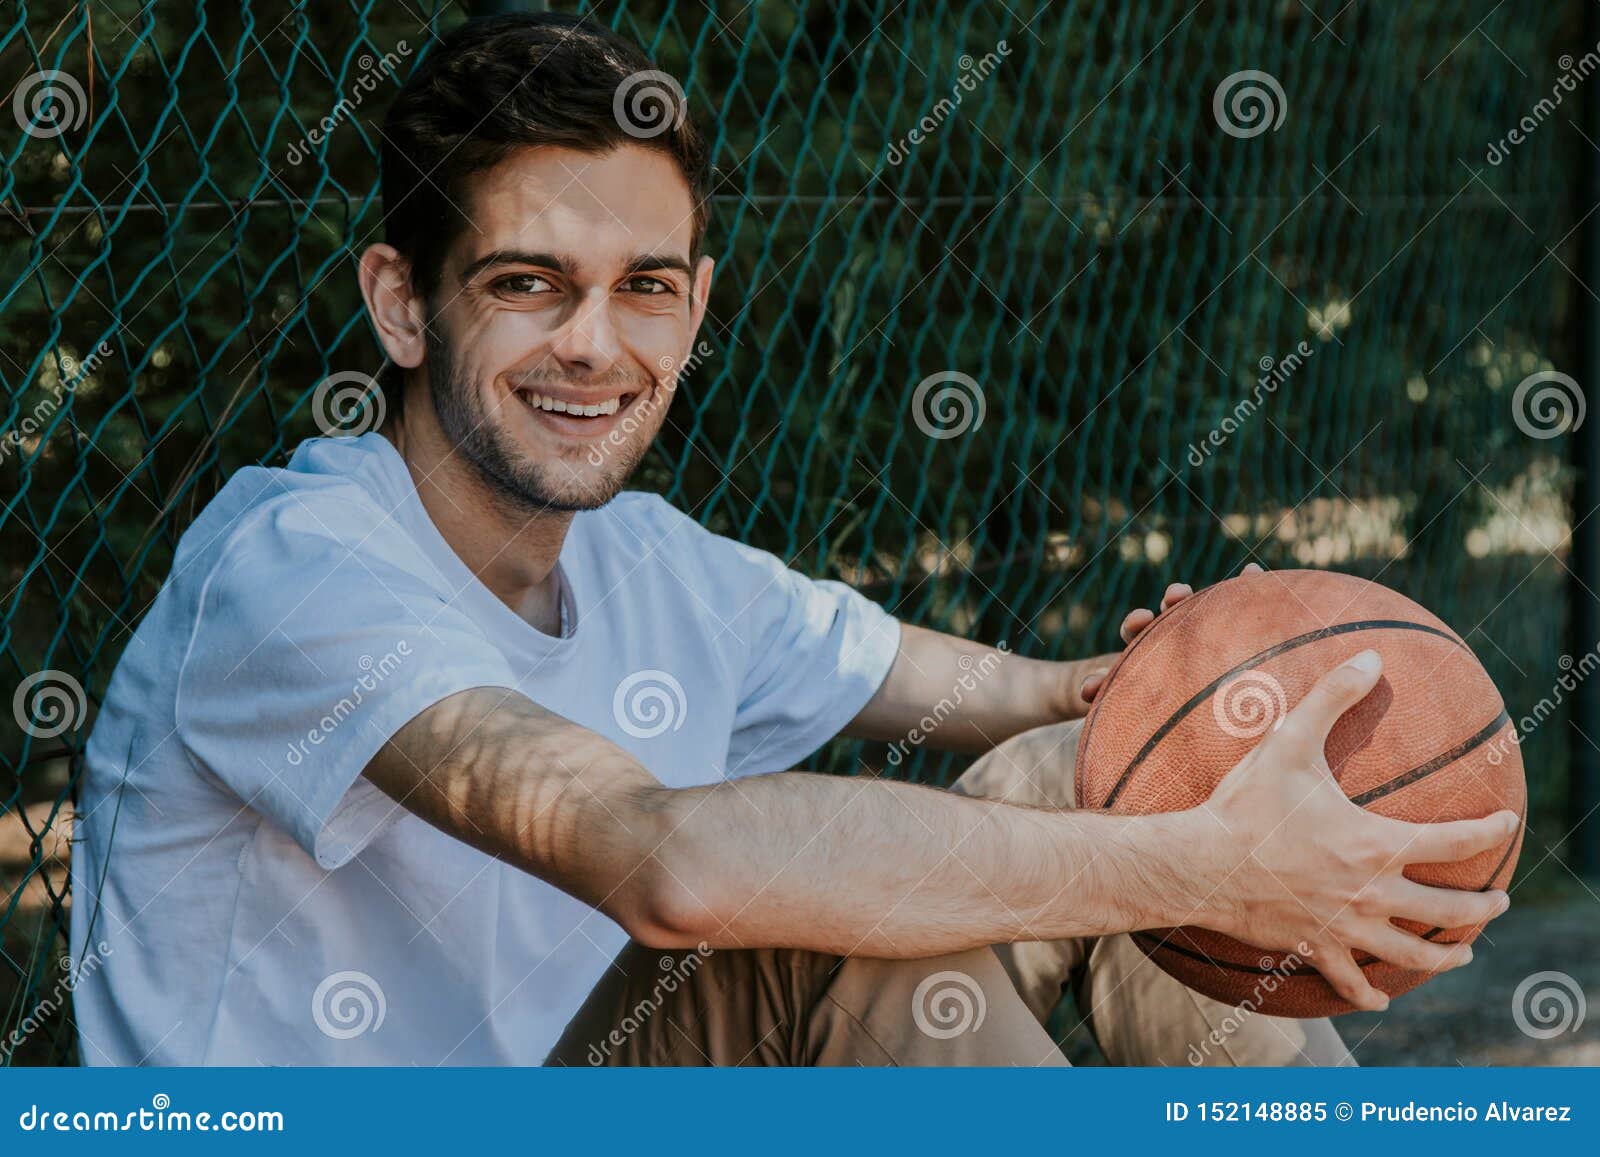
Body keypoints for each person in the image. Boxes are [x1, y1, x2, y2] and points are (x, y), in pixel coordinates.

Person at [70, 12, 1514, 1066]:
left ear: (694, 309)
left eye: (642, 286)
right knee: (836, 932)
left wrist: (1168, 693)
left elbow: (1005, 695)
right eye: (526, 281)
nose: (592, 342)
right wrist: (1205, 864)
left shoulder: (649, 559)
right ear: (401, 303)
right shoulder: (294, 566)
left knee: (1114, 772)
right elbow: (661, 861)